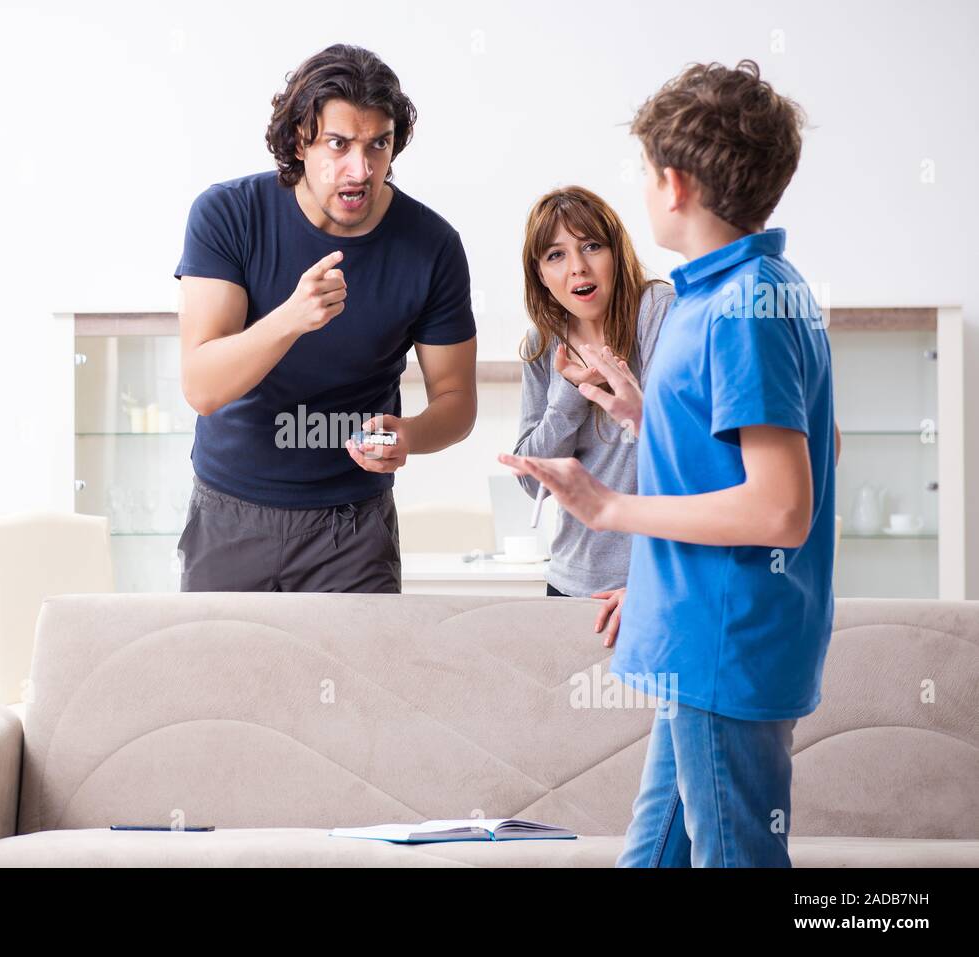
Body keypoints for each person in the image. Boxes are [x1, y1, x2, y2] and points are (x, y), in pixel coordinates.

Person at [501, 60, 836, 867]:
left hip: (723, 643)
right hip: (701, 634)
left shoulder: (739, 306)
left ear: (674, 183)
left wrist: (611, 509)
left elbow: (779, 506)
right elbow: (721, 469)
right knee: (649, 858)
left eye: (647, 170)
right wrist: (639, 426)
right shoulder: (734, 293)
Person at [173, 43, 477, 593]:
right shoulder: (228, 215)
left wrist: (409, 434)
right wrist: (290, 318)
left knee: (360, 681)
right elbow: (202, 387)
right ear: (298, 141)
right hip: (229, 516)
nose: (359, 170)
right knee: (220, 679)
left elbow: (457, 402)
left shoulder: (432, 245)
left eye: (377, 146)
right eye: (338, 145)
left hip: (353, 528)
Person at [513, 186, 673, 635]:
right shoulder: (541, 344)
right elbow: (532, 482)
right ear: (541, 275)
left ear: (615, 253)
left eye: (591, 246)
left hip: (649, 585)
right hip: (570, 584)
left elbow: (683, 452)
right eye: (556, 255)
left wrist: (651, 581)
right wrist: (569, 394)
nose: (578, 267)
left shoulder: (657, 312)